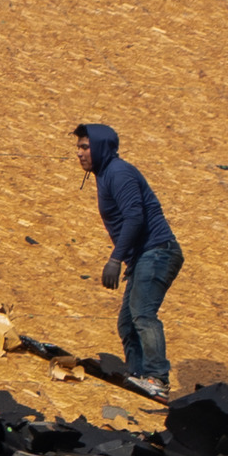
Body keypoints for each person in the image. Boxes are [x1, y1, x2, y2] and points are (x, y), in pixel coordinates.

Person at [74, 122, 181, 400]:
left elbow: (135, 217)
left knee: (143, 315)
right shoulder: (105, 174)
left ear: (100, 147)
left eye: (85, 147)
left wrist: (116, 259)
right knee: (127, 323)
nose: (79, 153)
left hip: (157, 250)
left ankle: (157, 378)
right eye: (78, 147)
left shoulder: (118, 173)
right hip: (143, 256)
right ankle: (138, 376)